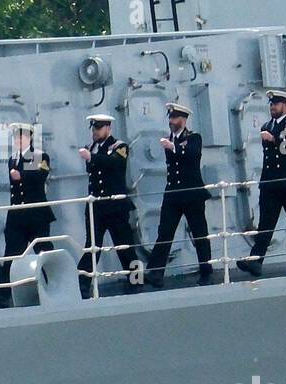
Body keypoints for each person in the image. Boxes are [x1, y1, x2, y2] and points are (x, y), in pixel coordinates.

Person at [239, 91, 286, 276]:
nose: (272, 107)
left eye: (277, 104)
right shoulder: (266, 125)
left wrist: (273, 138)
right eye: (271, 104)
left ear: (285, 105)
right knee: (265, 224)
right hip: (271, 184)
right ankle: (255, 261)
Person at [0, 123, 54, 307]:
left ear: (29, 138)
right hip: (18, 216)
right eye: (16, 138)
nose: (18, 141)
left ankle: (57, 286)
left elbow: (40, 176)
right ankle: (1, 293)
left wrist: (21, 175)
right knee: (11, 254)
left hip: (36, 214)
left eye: (21, 137)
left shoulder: (39, 156)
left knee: (44, 251)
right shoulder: (12, 159)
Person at [147, 102, 213, 287]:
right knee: (165, 233)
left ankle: (206, 271)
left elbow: (192, 153)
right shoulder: (170, 139)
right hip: (173, 194)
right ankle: (155, 272)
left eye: (174, 117)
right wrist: (171, 145)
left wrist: (174, 147)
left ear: (183, 120)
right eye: (170, 117)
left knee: (199, 233)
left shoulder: (193, 138)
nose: (171, 121)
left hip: (192, 194)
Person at [76, 113, 141, 297]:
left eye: (98, 128)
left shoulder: (119, 147)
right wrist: (91, 156)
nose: (94, 132)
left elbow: (115, 164)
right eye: (93, 128)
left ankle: (136, 279)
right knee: (92, 246)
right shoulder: (92, 148)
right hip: (96, 206)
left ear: (107, 128)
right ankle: (82, 282)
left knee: (124, 245)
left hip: (115, 206)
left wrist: (92, 157)